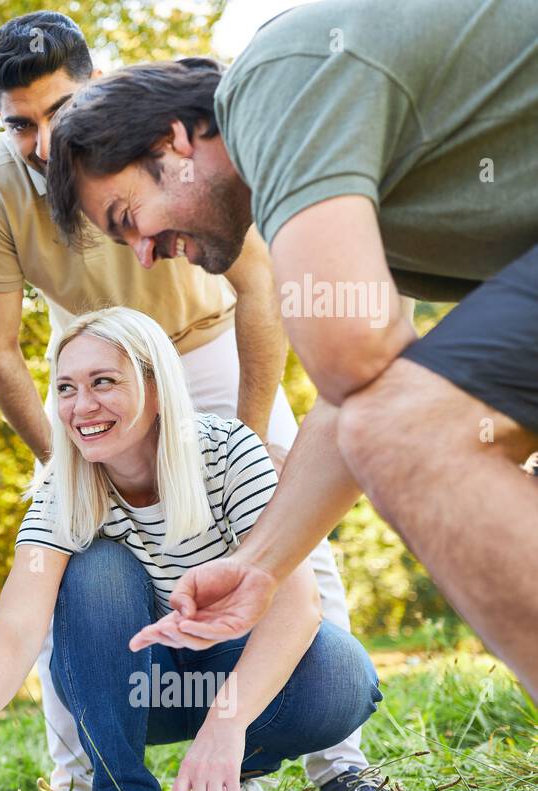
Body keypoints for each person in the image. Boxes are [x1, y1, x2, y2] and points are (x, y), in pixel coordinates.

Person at [42, 0, 538, 696]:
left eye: (130, 219)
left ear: (176, 141)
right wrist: (259, 566)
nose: (145, 257)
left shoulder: (272, 88)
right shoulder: (355, 181)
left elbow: (358, 363)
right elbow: (369, 397)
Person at [0, 10, 383, 791]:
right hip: (97, 371)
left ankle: (338, 762)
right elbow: (0, 352)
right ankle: (89, 784)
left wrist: (247, 442)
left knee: (292, 535)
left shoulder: (159, 137)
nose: (44, 140)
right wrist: (65, 464)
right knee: (70, 567)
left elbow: (258, 288)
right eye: (20, 124)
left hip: (206, 345)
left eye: (58, 113)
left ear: (92, 91)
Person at [0, 307, 382, 791]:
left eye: (103, 382)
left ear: (156, 387)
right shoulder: (61, 490)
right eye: (66, 388)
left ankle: (231, 772)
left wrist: (224, 727)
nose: (81, 406)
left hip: (237, 675)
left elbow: (299, 606)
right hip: (137, 686)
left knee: (343, 672)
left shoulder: (227, 450)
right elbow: (15, 626)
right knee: (97, 568)